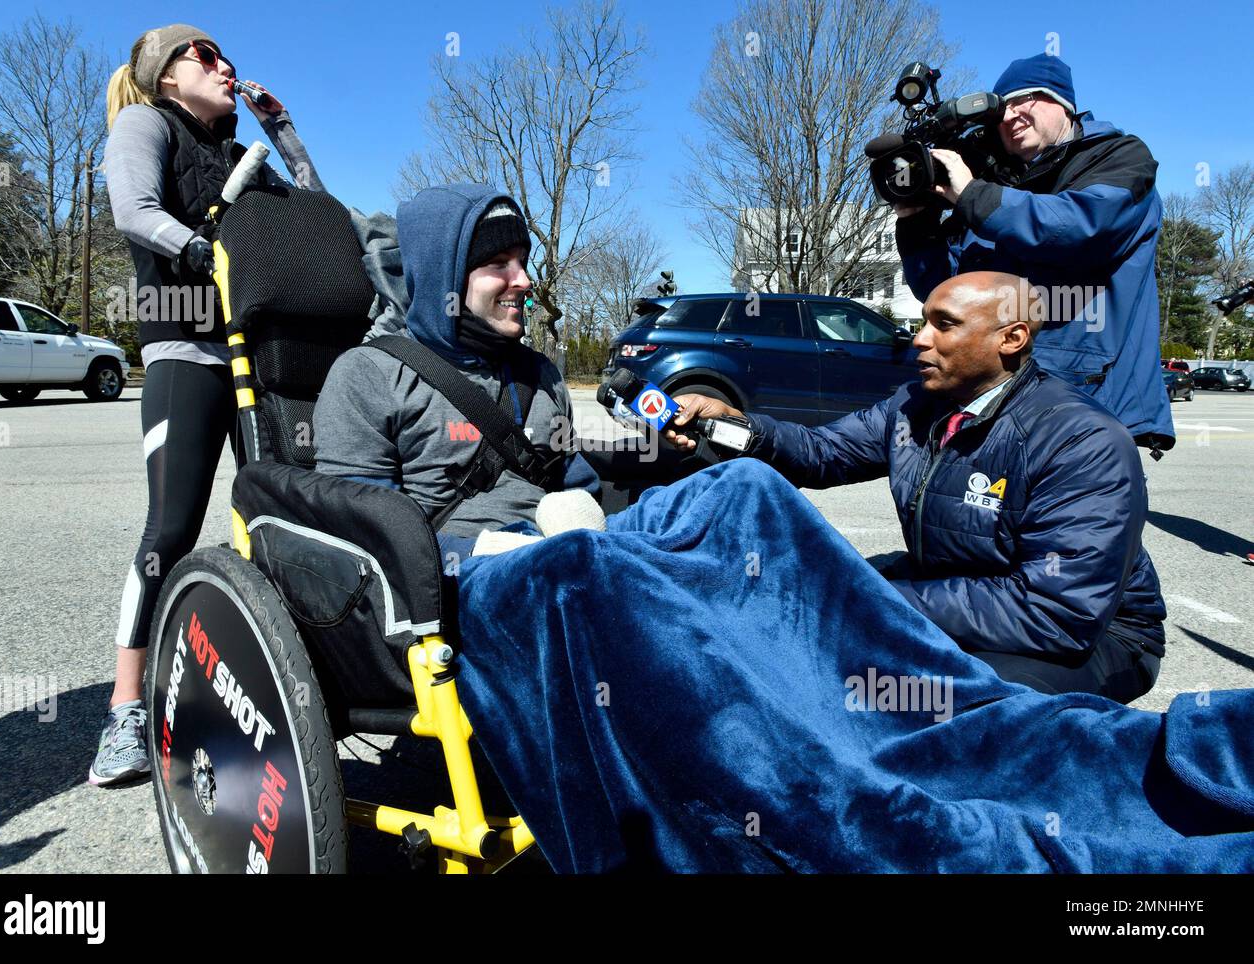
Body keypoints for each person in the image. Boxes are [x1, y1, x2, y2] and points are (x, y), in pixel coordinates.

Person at [669, 271, 1166, 703]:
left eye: (944, 325)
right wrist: (736, 425)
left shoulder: (1080, 439)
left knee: (945, 708)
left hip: (1093, 636)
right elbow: (823, 455)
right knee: (801, 642)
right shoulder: (914, 405)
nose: (919, 339)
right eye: (923, 321)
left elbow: (1055, 611)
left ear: (1010, 339)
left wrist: (869, 600)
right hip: (952, 588)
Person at [93, 24, 323, 786]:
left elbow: (311, 218)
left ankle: (286, 686)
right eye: (206, 55)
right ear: (165, 76)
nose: (226, 65)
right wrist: (191, 248)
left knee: (282, 511)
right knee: (172, 525)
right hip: (185, 351)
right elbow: (133, 209)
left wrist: (281, 133)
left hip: (255, 357)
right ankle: (127, 709)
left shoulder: (239, 156)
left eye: (227, 56)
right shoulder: (144, 123)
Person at [893, 53, 1173, 454]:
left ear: (1064, 104)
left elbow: (1078, 228)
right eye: (999, 109)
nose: (1010, 115)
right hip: (990, 401)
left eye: (1025, 99)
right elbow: (940, 291)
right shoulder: (988, 189)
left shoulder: (1119, 158)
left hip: (1087, 406)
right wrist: (916, 222)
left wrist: (974, 195)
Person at [313, 185, 599, 558]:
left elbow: (579, 485)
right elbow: (359, 537)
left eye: (523, 261)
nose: (525, 281)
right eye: (499, 262)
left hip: (566, 563)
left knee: (698, 499)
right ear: (442, 277)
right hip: (453, 587)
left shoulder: (541, 374)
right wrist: (486, 553)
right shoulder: (368, 374)